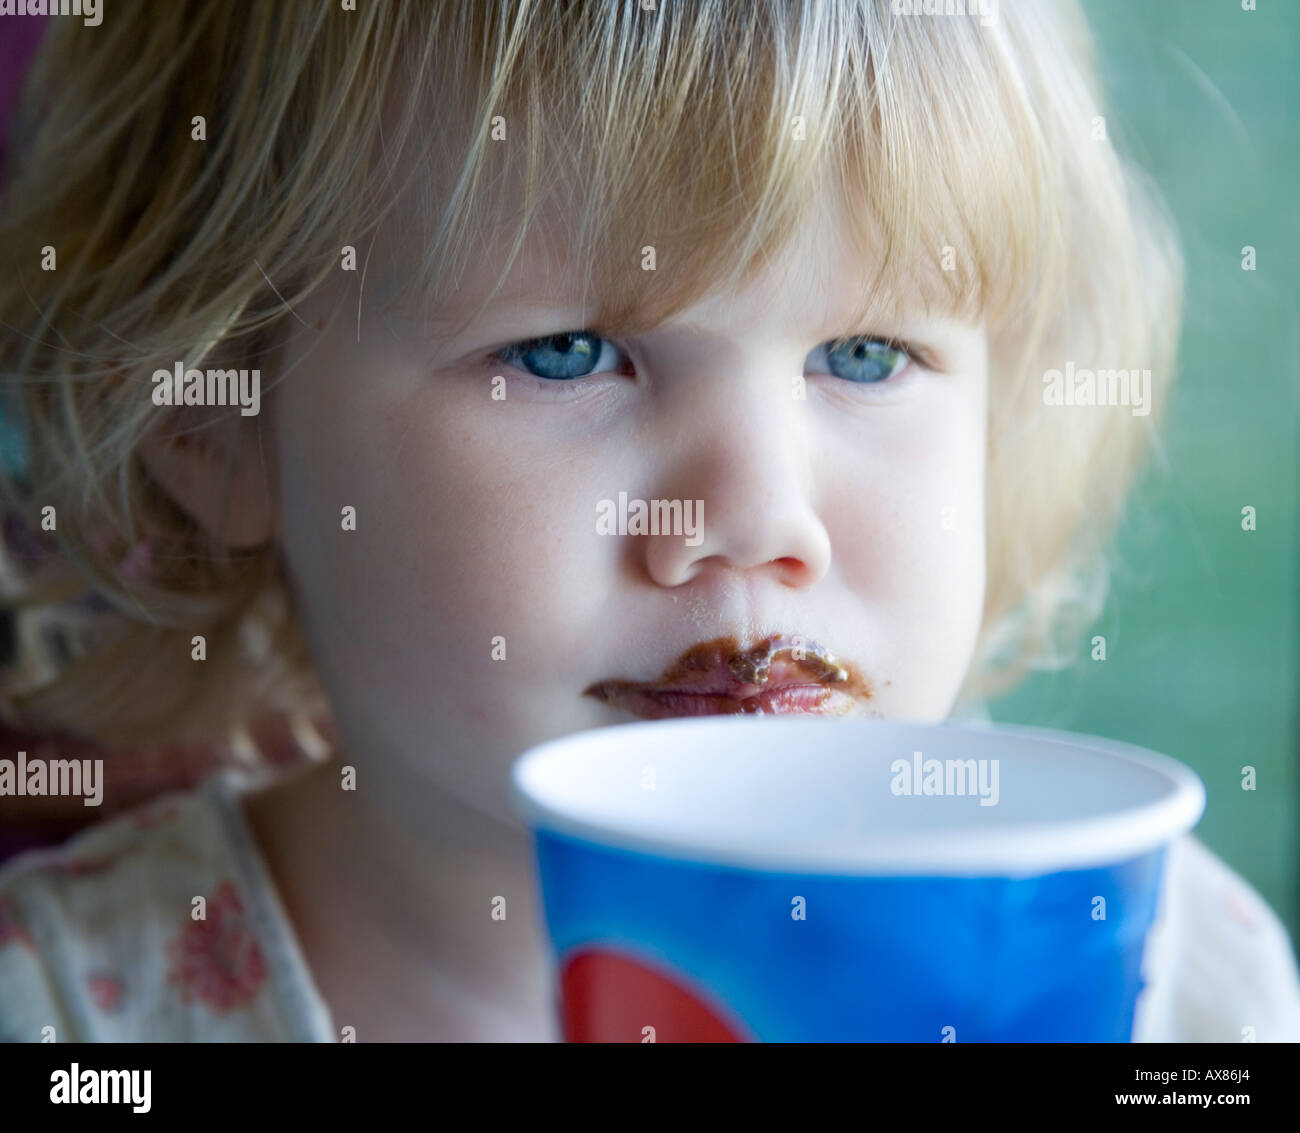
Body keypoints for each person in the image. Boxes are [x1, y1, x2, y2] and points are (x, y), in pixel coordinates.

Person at [0, 0, 1295, 1042]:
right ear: (208, 425)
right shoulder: (58, 1012)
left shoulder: (1171, 982)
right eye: (567, 353)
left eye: (864, 354)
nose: (758, 517)